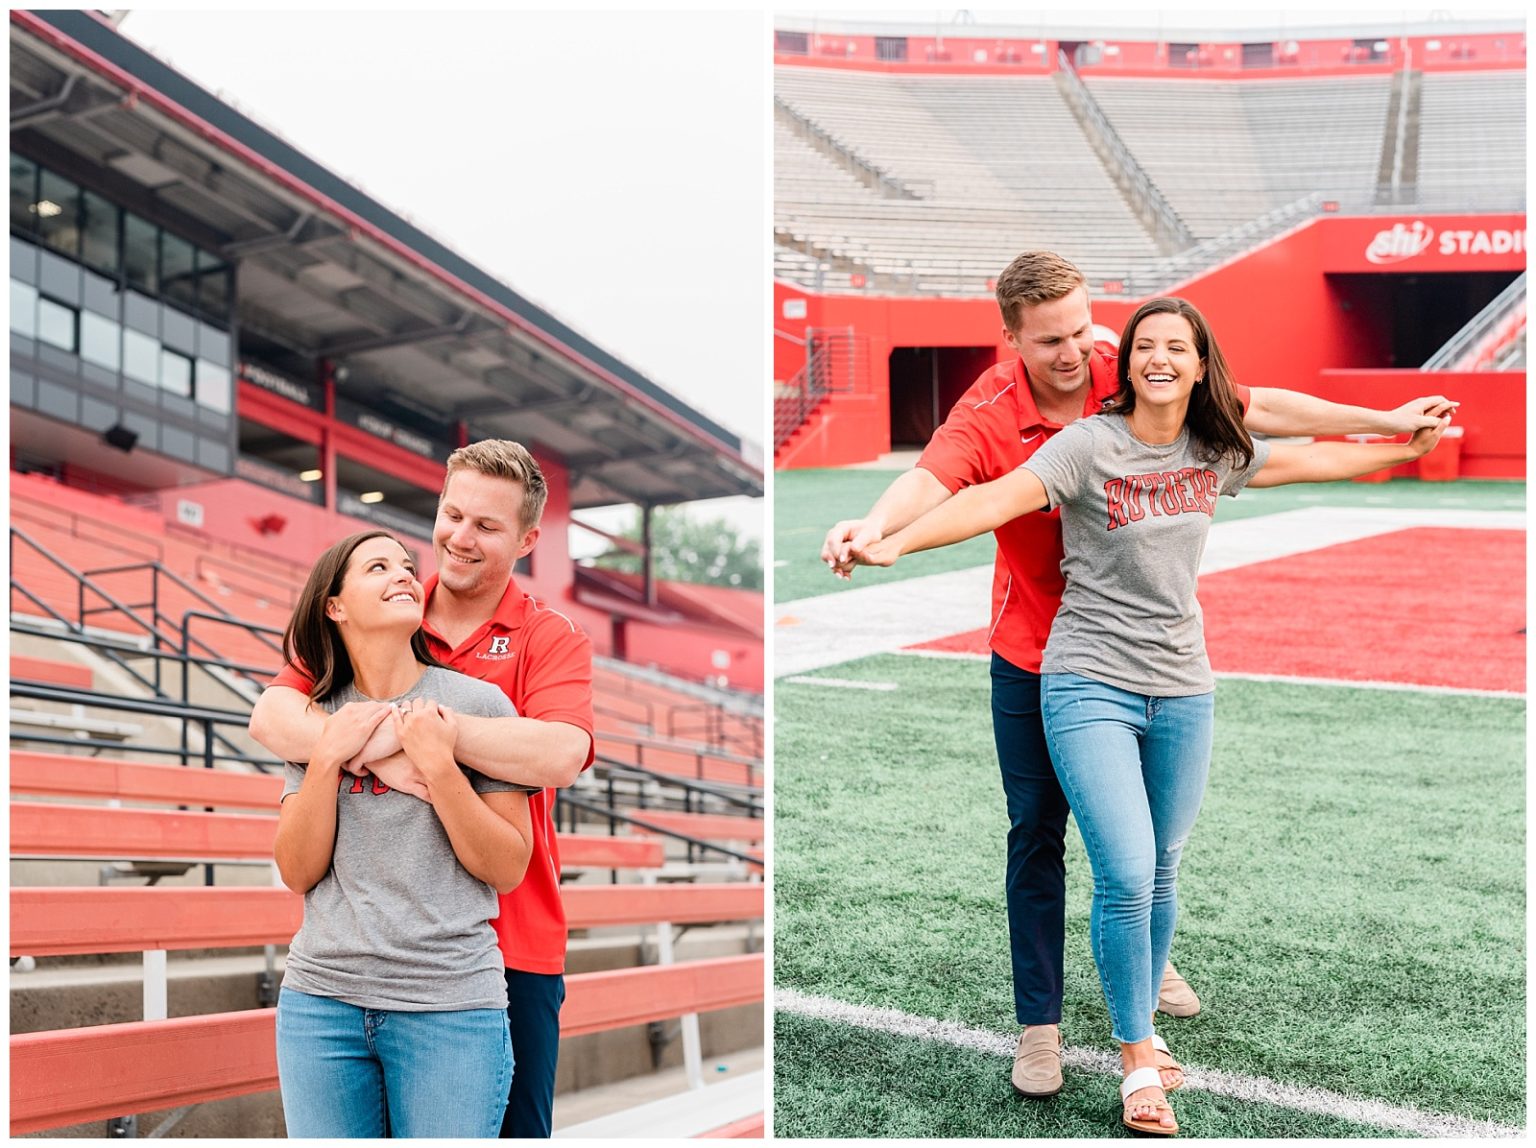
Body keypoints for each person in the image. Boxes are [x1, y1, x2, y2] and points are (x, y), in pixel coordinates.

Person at [821, 252, 1454, 1102]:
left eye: (1083, 328)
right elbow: (943, 487)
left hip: (1159, 660)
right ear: (1011, 339)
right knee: (1040, 835)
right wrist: (878, 529)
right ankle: (1040, 1028)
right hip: (1042, 651)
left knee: (1148, 857)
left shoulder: (1131, 360)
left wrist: (1382, 423)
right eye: (1051, 340)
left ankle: (1144, 967)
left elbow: (1253, 414)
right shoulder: (996, 414)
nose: (1077, 351)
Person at [250, 440, 594, 1139]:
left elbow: (559, 754)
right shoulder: (384, 610)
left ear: (528, 540)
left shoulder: (548, 636)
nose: (459, 540)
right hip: (353, 964)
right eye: (452, 515)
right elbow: (274, 714)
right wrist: (376, 751)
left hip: (508, 941)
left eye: (487, 527)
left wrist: (427, 743)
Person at [271, 529, 536, 1137]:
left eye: (407, 565)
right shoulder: (315, 716)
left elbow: (506, 867)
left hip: (449, 1006)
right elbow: (297, 870)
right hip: (321, 1004)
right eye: (378, 566)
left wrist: (441, 767)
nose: (404, 574)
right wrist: (326, 760)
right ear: (334, 606)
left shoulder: (480, 706)